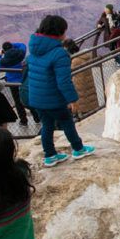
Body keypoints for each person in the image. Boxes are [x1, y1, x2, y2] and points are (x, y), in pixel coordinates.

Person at [26, 16, 95, 166]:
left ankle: (50, 155)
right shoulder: (59, 53)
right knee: (67, 122)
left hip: (37, 99)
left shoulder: (34, 48)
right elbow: (63, 81)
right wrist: (73, 99)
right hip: (54, 99)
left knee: (47, 126)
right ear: (58, 32)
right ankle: (78, 148)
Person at [0, 42, 36, 127]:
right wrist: (12, 46)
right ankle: (37, 118)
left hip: (13, 83)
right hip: (23, 81)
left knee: (17, 102)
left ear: (4, 51)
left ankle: (24, 121)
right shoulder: (21, 53)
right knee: (29, 99)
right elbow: (22, 45)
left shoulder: (3, 61)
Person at [63, 40, 99, 119]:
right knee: (89, 102)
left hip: (80, 88)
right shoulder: (83, 56)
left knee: (83, 106)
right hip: (86, 85)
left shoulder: (75, 61)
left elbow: (69, 74)